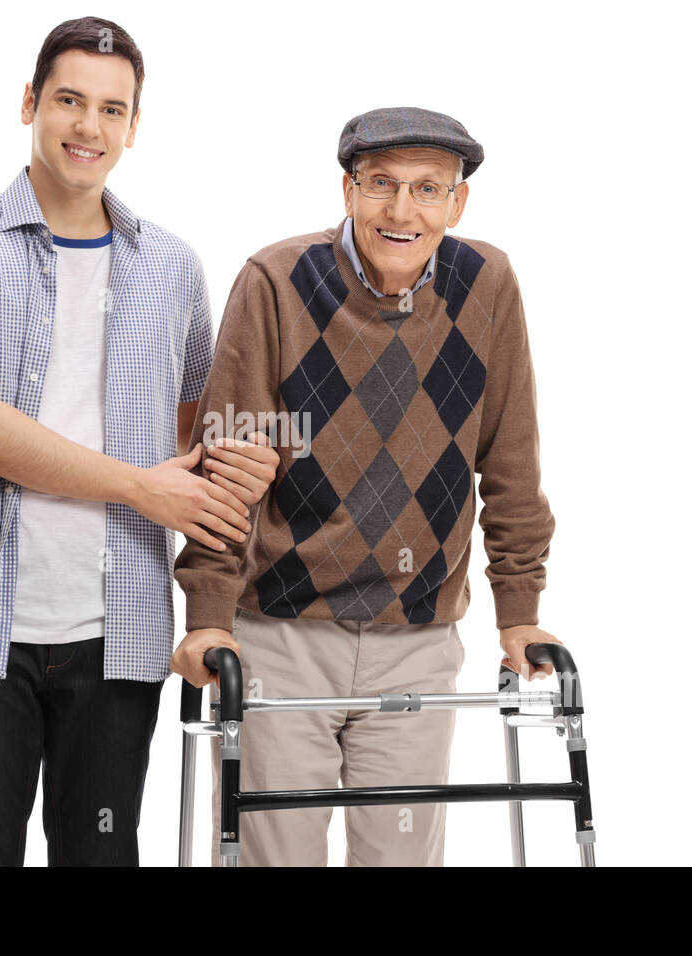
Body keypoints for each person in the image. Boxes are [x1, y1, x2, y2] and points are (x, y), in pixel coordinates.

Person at [0, 16, 278, 866]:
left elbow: (192, 437)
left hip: (120, 630)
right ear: (29, 103)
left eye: (112, 109)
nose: (88, 127)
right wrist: (143, 488)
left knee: (102, 854)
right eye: (69, 101)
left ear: (134, 127)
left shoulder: (172, 266)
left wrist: (247, 455)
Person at [171, 106, 563, 866]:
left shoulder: (487, 285)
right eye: (381, 184)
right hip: (281, 633)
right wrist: (209, 615)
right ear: (348, 190)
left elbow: (511, 459)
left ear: (458, 203)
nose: (401, 210)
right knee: (274, 858)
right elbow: (225, 462)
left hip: (417, 636)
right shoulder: (276, 281)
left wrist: (519, 614)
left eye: (427, 189)